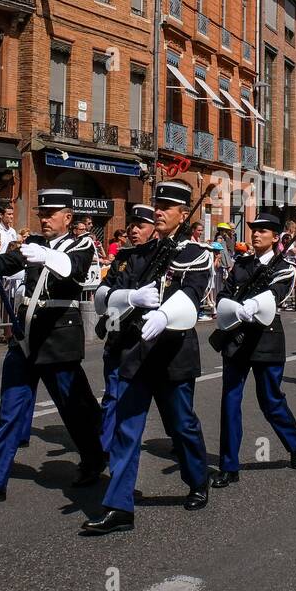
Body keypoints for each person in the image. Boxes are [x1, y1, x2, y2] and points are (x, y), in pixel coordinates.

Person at [0, 188, 105, 503]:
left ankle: (94, 458)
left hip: (58, 335)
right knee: (10, 410)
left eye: (50, 213)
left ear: (68, 217)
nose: (44, 218)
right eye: (41, 213)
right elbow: (5, 265)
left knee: (74, 409)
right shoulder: (34, 243)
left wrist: (49, 256)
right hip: (26, 336)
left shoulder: (81, 243)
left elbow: (75, 270)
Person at [83, 179, 211, 536]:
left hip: (172, 354)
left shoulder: (195, 254)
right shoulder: (136, 255)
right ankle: (120, 506)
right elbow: (105, 293)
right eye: (157, 204)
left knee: (181, 425)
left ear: (184, 214)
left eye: (167, 207)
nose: (159, 210)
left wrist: (166, 315)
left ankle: (197, 479)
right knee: (127, 430)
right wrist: (129, 299)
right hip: (136, 353)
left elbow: (193, 294)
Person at [210, 212, 296, 485]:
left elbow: (277, 294)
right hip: (236, 340)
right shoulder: (242, 264)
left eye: (263, 230)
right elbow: (225, 293)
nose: (256, 234)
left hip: (265, 339)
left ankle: (295, 440)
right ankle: (229, 465)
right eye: (254, 229)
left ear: (276, 238)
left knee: (270, 401)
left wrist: (256, 304)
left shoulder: (283, 266)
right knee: (230, 401)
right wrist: (230, 308)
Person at [93, 204, 157, 453]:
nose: (133, 230)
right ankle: (104, 448)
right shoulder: (121, 257)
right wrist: (122, 297)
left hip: (144, 338)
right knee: (112, 394)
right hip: (117, 331)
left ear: (153, 229)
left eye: (140, 226)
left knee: (157, 400)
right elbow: (103, 292)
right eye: (131, 225)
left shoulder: (157, 258)